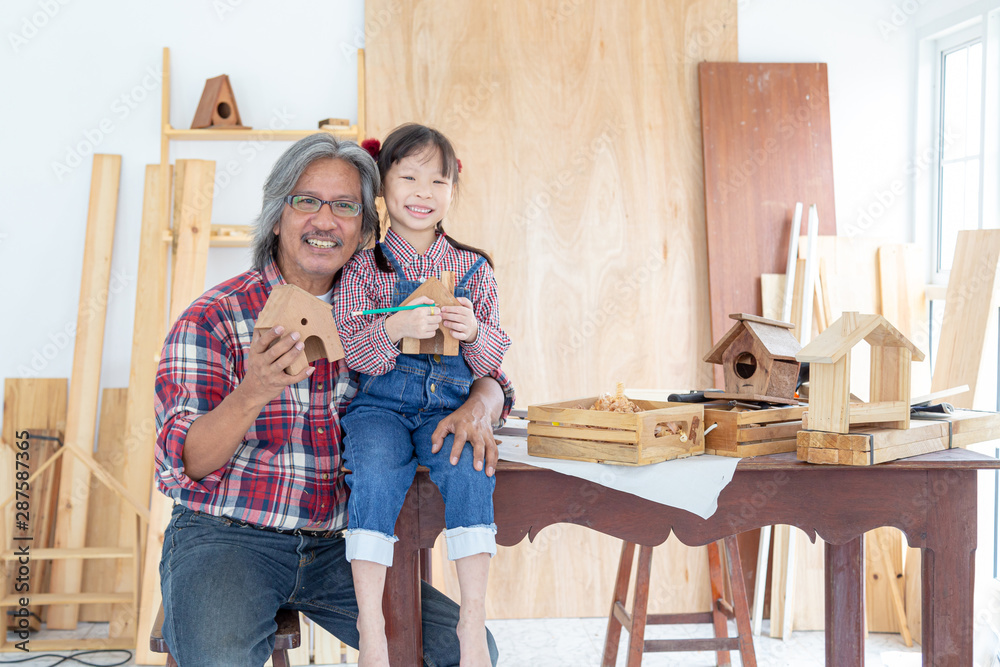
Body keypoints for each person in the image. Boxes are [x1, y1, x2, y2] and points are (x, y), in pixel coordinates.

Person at [153, 132, 514, 667]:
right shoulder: (215, 316)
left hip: (337, 546)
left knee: (463, 652)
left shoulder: (379, 297)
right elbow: (183, 463)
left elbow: (489, 375)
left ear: (366, 225)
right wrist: (252, 392)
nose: (325, 220)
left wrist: (479, 406)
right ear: (277, 216)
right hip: (228, 538)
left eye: (345, 206)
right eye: (306, 201)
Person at [333, 124, 510, 666]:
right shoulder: (362, 267)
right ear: (381, 187)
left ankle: (472, 623)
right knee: (376, 472)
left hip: (448, 405)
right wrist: (390, 328)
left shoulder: (474, 267)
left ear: (453, 188)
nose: (422, 191)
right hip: (381, 405)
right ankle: (372, 629)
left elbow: (492, 366)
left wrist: (475, 332)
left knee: (469, 467)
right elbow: (356, 358)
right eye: (407, 176)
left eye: (438, 179)